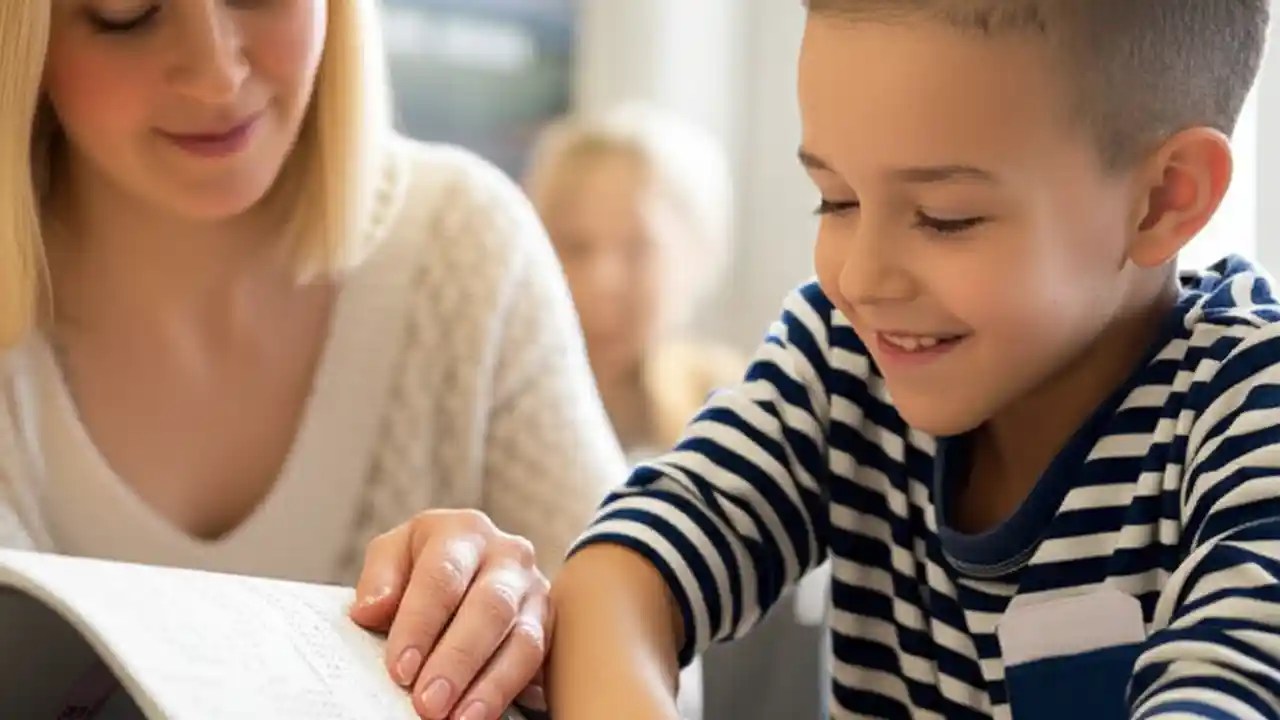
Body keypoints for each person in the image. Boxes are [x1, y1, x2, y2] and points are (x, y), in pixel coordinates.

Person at [548, 1, 1280, 718]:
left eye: (944, 217)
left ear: (1162, 199)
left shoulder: (1249, 412)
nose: (862, 280)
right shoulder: (846, 361)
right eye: (836, 201)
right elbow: (622, 570)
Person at [0, 2, 624, 720]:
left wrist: (535, 635)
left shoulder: (464, 250)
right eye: (125, 12)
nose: (216, 75)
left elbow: (656, 669)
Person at [523, 104, 745, 462]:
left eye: (638, 248)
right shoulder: (503, 404)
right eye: (575, 247)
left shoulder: (740, 406)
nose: (603, 280)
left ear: (701, 253)